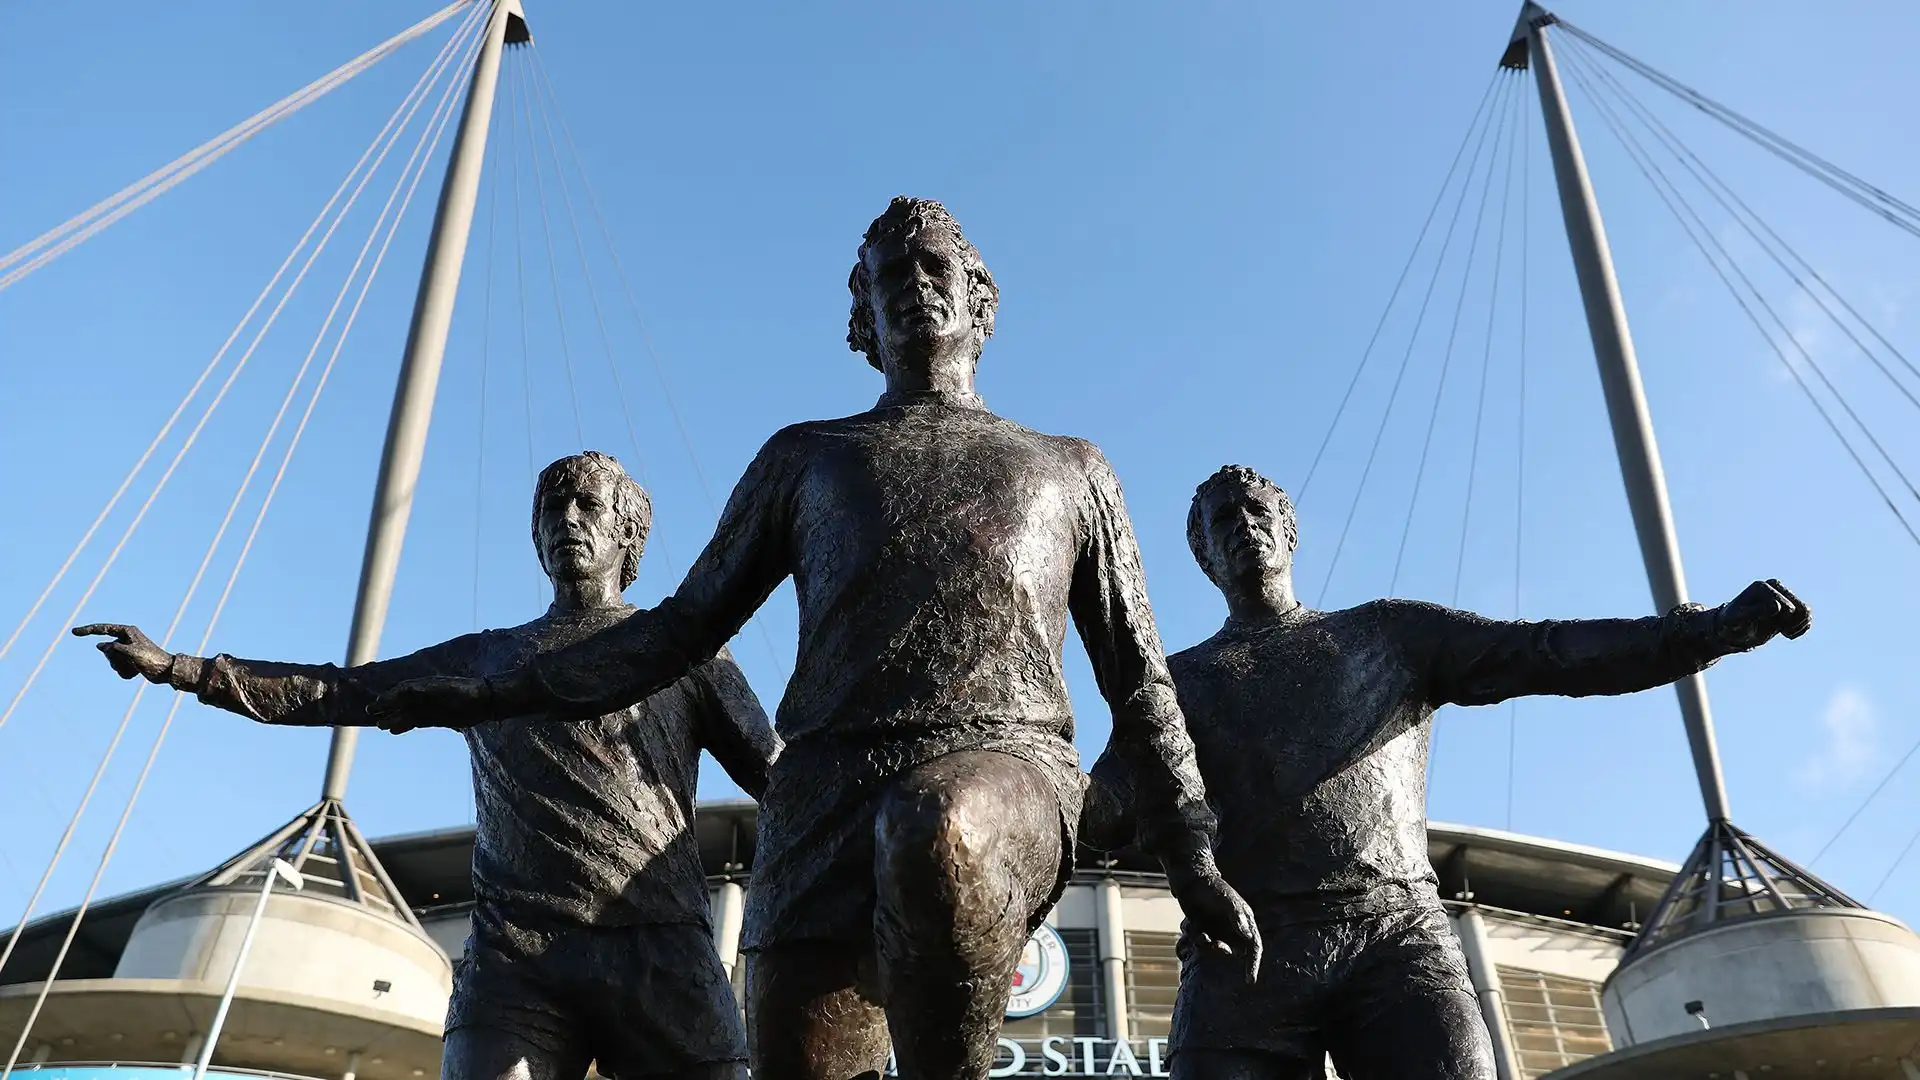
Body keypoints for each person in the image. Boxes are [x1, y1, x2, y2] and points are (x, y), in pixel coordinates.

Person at [362, 197, 1261, 1080]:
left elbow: (1141, 683)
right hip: (823, 797)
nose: (914, 284)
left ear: (980, 296)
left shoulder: (1070, 468)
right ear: (863, 315)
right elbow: (672, 632)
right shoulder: (806, 458)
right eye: (889, 275)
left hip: (1003, 763)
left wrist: (1190, 853)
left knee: (938, 827)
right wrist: (495, 686)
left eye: (934, 266)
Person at [1082, 463, 1811, 1080]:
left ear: (1289, 530)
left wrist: (1702, 632)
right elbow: (1105, 811)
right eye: (1222, 520)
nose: (1243, 525)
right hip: (1245, 954)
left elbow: (1546, 652)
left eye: (1256, 510)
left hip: (1394, 939)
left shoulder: (1386, 634)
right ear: (1205, 558)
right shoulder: (1177, 684)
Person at [77, 452, 778, 1080]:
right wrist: (184, 669)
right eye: (551, 507)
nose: (566, 519)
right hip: (517, 958)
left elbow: (780, 780)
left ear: (628, 532)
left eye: (588, 504)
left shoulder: (686, 653)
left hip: (658, 946)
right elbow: (339, 690)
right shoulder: (486, 657)